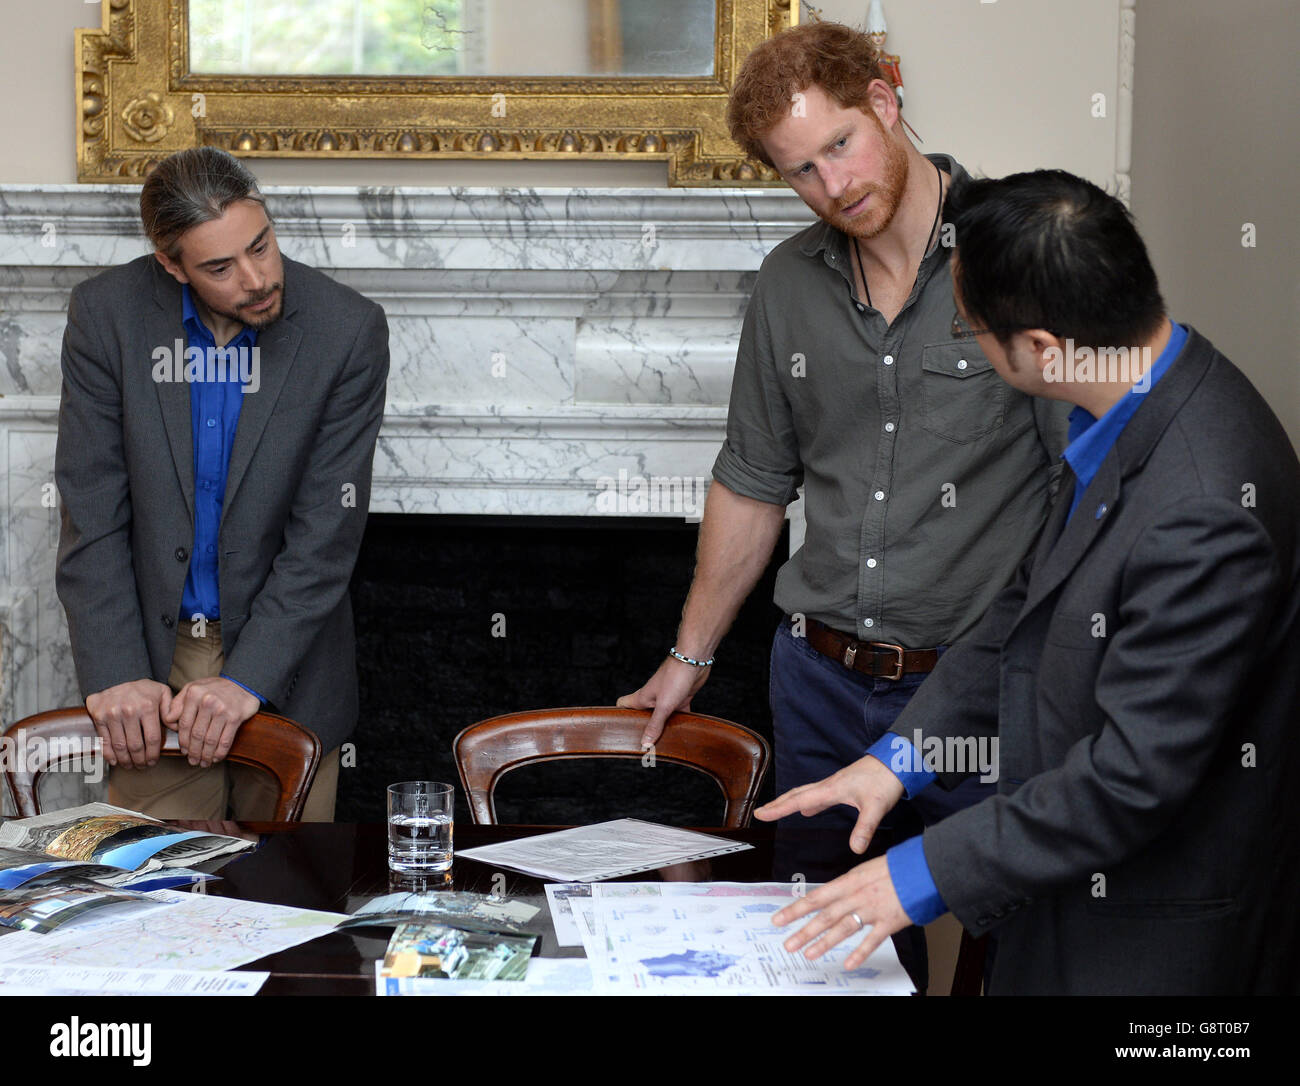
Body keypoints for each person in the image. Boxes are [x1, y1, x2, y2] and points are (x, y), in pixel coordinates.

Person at [760, 169, 1300, 995]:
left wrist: (915, 874)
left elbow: (1131, 777)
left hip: (1148, 947)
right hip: (1063, 900)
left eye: (974, 331)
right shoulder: (1126, 408)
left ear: (1043, 349)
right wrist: (899, 760)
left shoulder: (1205, 507)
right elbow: (1023, 605)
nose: (972, 346)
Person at [619, 22, 1065, 843]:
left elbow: (1082, 482)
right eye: (803, 170)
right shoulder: (787, 284)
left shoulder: (1019, 256)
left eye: (842, 144)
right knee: (826, 952)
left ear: (884, 105)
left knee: (1006, 944)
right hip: (817, 686)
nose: (834, 183)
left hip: (979, 691)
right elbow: (753, 478)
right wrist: (689, 656)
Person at [55, 147, 390, 821]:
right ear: (170, 265)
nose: (257, 277)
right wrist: (118, 671)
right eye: (219, 267)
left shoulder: (347, 330)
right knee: (156, 899)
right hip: (154, 658)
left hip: (287, 664)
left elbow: (326, 532)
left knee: (285, 902)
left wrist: (248, 678)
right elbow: (92, 510)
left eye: (261, 246)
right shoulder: (106, 317)